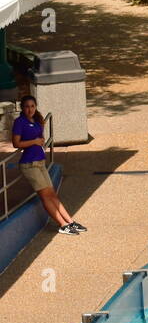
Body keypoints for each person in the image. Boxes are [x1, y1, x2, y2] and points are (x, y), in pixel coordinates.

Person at [11, 96, 84, 236]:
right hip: (29, 164)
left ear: (35, 106)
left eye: (32, 106)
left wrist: (40, 140)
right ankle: (62, 225)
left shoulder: (37, 120)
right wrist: (34, 141)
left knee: (52, 194)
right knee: (45, 196)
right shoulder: (19, 122)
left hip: (40, 162)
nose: (30, 109)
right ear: (22, 108)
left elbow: (40, 137)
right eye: (27, 106)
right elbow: (17, 143)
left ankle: (70, 221)